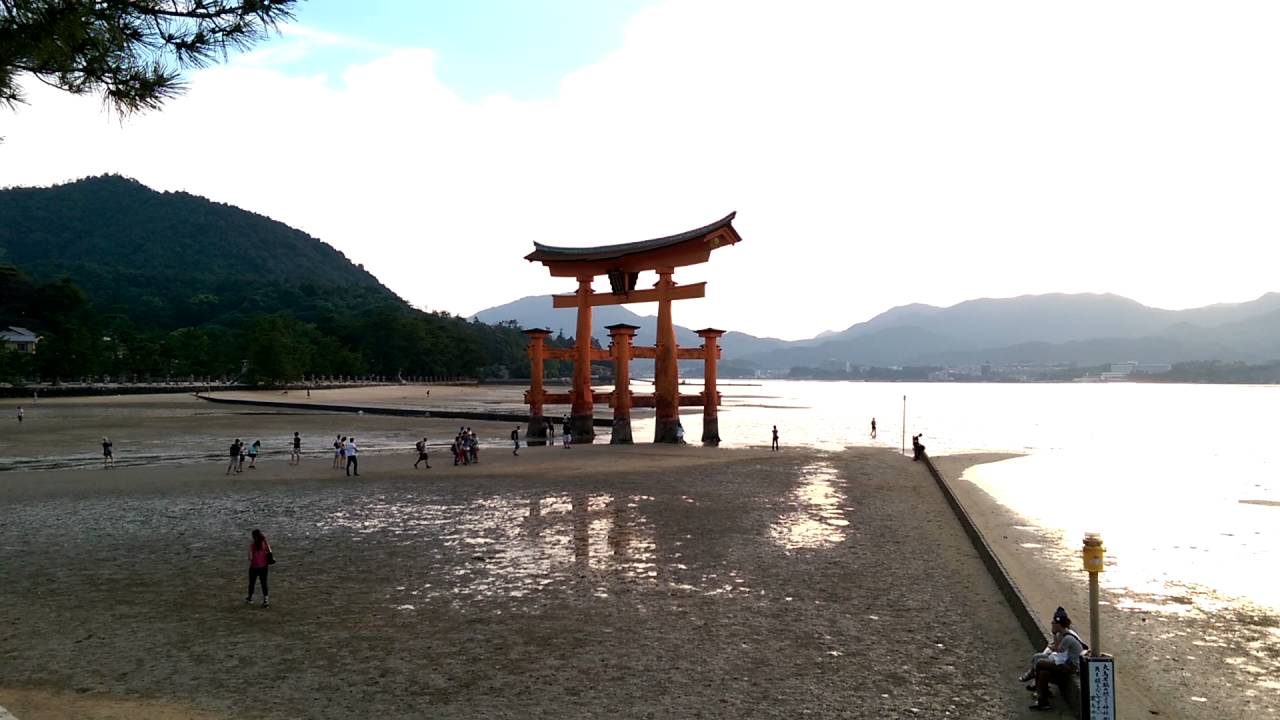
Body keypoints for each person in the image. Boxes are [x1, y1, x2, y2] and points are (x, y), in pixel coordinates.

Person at [1029, 608, 1087, 711]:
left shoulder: (1068, 638)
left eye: (1053, 623)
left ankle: (1035, 684)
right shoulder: (1064, 634)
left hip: (1071, 667)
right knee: (1043, 673)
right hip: (1066, 664)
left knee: (1040, 664)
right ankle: (1043, 701)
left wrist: (1054, 634)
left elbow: (1058, 650)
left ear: (1058, 625)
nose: (1052, 624)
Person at [245, 528, 272, 608]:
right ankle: (266, 601)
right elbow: (270, 551)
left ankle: (250, 598)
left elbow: (250, 558)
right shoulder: (264, 543)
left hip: (254, 567)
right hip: (264, 566)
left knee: (252, 583)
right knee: (264, 583)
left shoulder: (253, 545)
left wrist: (249, 549)